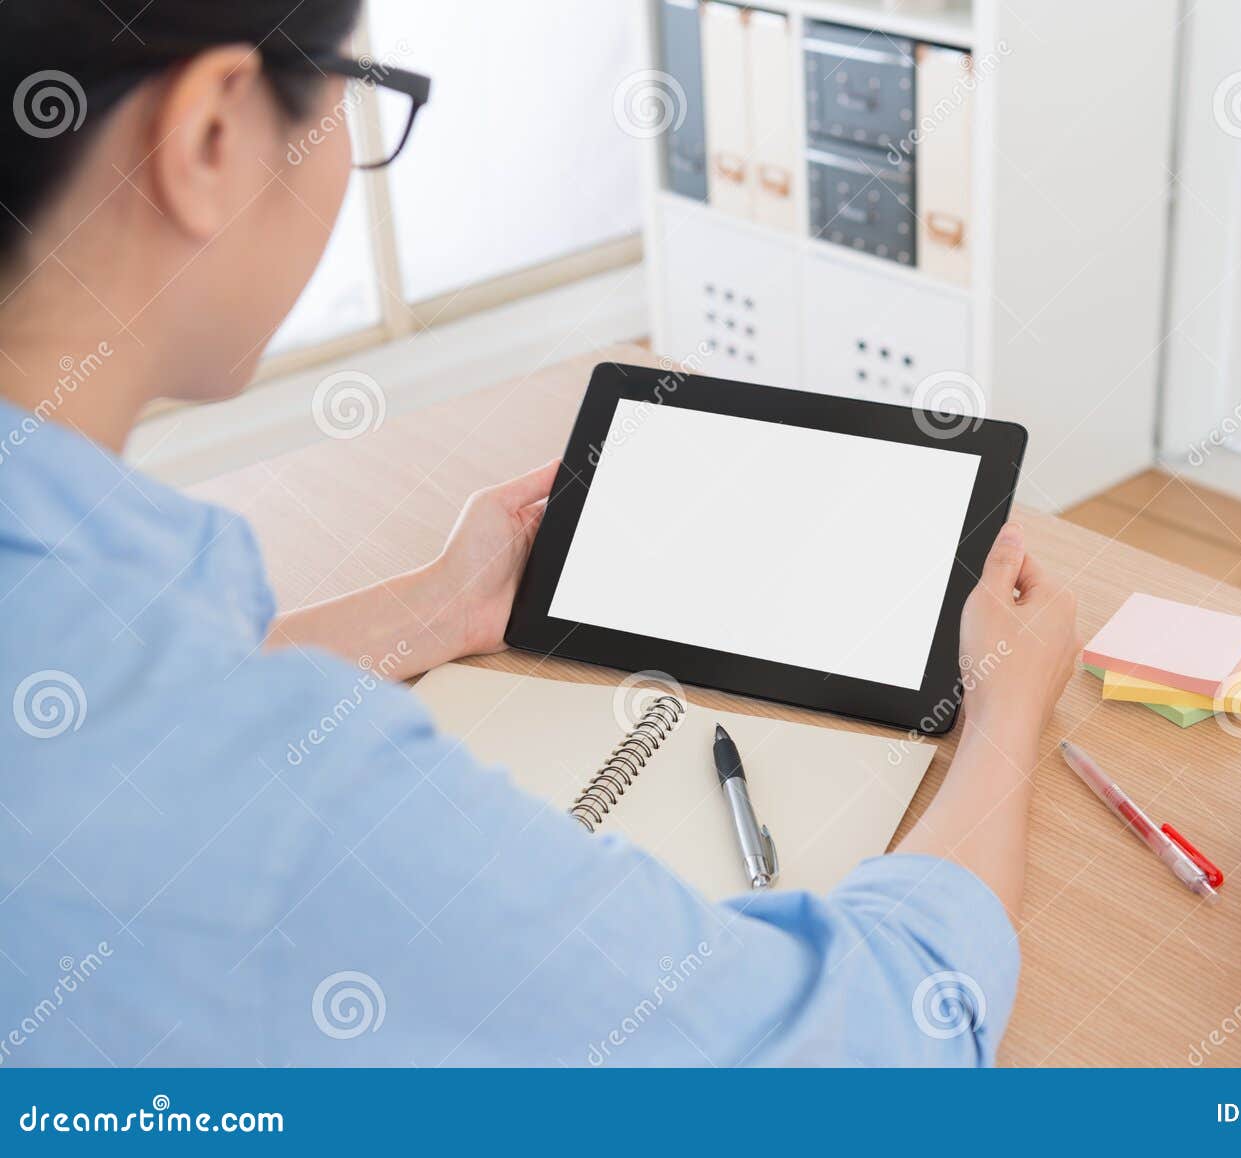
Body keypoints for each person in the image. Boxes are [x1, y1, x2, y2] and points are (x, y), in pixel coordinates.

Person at [0, 1, 1079, 1066]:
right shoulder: (282, 818)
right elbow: (869, 1050)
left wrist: (434, 606)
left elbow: (126, 717)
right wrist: (1005, 715)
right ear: (211, 134)